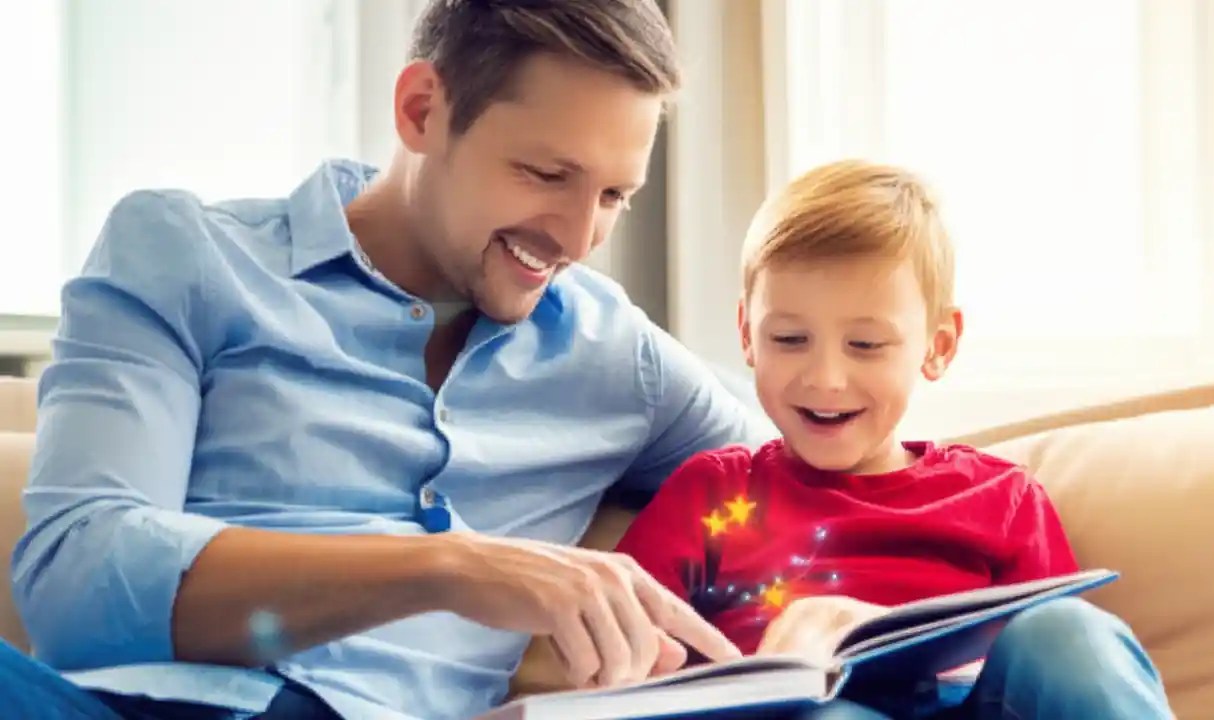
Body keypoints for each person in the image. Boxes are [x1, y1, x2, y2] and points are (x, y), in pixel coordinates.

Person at [1, 1, 776, 718]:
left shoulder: (620, 359)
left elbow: (818, 468)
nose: (577, 241)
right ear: (421, 110)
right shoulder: (186, 257)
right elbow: (76, 580)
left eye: (613, 197)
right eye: (546, 175)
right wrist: (452, 568)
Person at [614, 159, 1177, 719]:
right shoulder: (713, 492)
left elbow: (1053, 678)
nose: (825, 378)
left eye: (865, 345)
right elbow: (619, 655)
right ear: (747, 336)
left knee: (1066, 630)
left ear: (937, 346)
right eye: (790, 339)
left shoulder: (1002, 499)